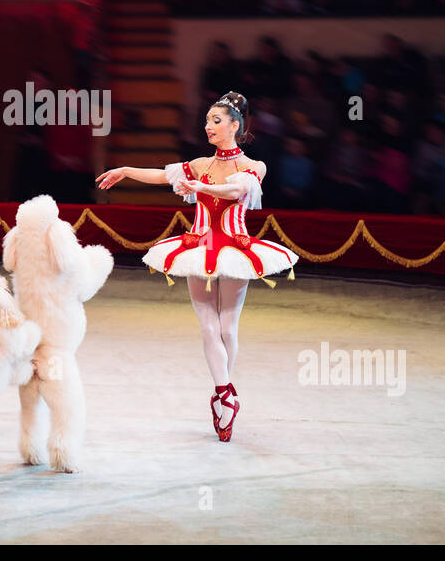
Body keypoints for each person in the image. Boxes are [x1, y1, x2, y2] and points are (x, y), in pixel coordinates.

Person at [95, 91, 298, 443]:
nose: (209, 126)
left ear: (235, 125)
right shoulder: (201, 163)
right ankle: (226, 394)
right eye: (206, 121)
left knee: (228, 329)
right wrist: (126, 170)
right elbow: (162, 176)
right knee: (209, 328)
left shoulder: (254, 166)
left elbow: (236, 192)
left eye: (216, 121)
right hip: (200, 246)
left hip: (235, 247)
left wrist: (201, 186)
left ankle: (223, 397)